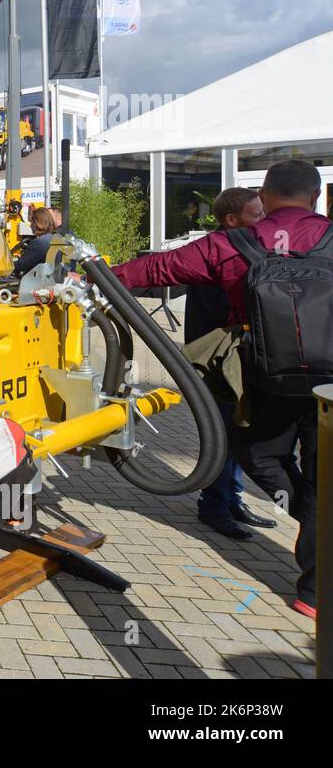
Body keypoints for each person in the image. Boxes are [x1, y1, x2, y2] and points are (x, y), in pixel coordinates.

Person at [111, 160, 329, 619]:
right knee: (324, 478)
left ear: (265, 197)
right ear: (316, 196)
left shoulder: (231, 243)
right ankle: (314, 587)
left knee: (259, 456)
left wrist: (95, 273)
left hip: (265, 381)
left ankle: (310, 516)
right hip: (329, 387)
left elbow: (158, 268)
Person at [184, 188, 278, 540]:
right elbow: (225, 313)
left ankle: (231, 498)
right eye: (258, 215)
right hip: (218, 364)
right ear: (232, 220)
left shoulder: (239, 250)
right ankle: (214, 507)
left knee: (237, 431)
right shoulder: (216, 256)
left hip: (237, 360)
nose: (264, 222)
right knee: (222, 437)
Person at [12, 206, 60, 277]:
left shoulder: (39, 243)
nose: (30, 226)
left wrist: (6, 266)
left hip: (39, 283)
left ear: (37, 223)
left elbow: (23, 264)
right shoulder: (56, 239)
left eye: (31, 222)